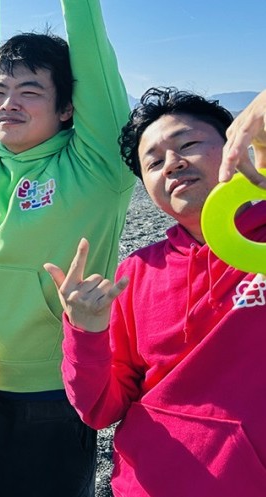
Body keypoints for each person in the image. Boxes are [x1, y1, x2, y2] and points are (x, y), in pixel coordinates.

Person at [0, 0, 135, 494]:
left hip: (50, 392)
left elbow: (94, 59)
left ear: (67, 107)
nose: (9, 101)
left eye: (30, 91)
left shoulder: (97, 169)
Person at [45, 87, 266, 497]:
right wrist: (86, 332)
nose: (172, 164)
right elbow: (100, 409)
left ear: (235, 146)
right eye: (154, 162)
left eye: (189, 144)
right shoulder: (138, 272)